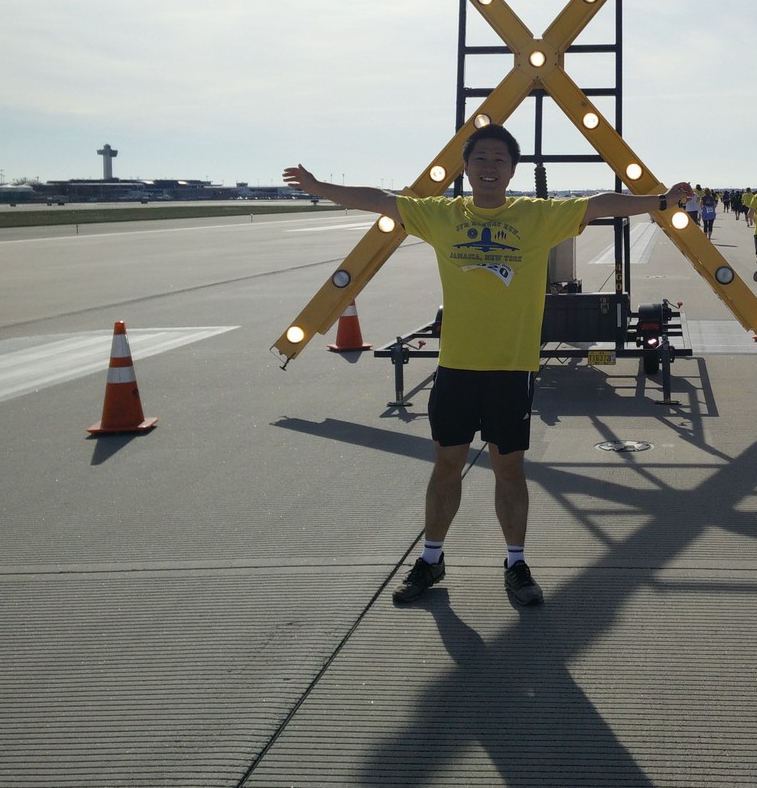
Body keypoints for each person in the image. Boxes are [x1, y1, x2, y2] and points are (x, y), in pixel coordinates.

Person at [283, 124, 691, 607]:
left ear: (512, 169)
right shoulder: (441, 215)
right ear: (467, 167)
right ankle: (431, 560)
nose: (490, 167)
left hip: (510, 369)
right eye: (481, 159)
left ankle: (516, 563)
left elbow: (600, 203)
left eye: (499, 159)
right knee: (446, 466)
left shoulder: (537, 217)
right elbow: (381, 200)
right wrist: (319, 188)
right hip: (456, 367)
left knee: (509, 470)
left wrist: (659, 200)